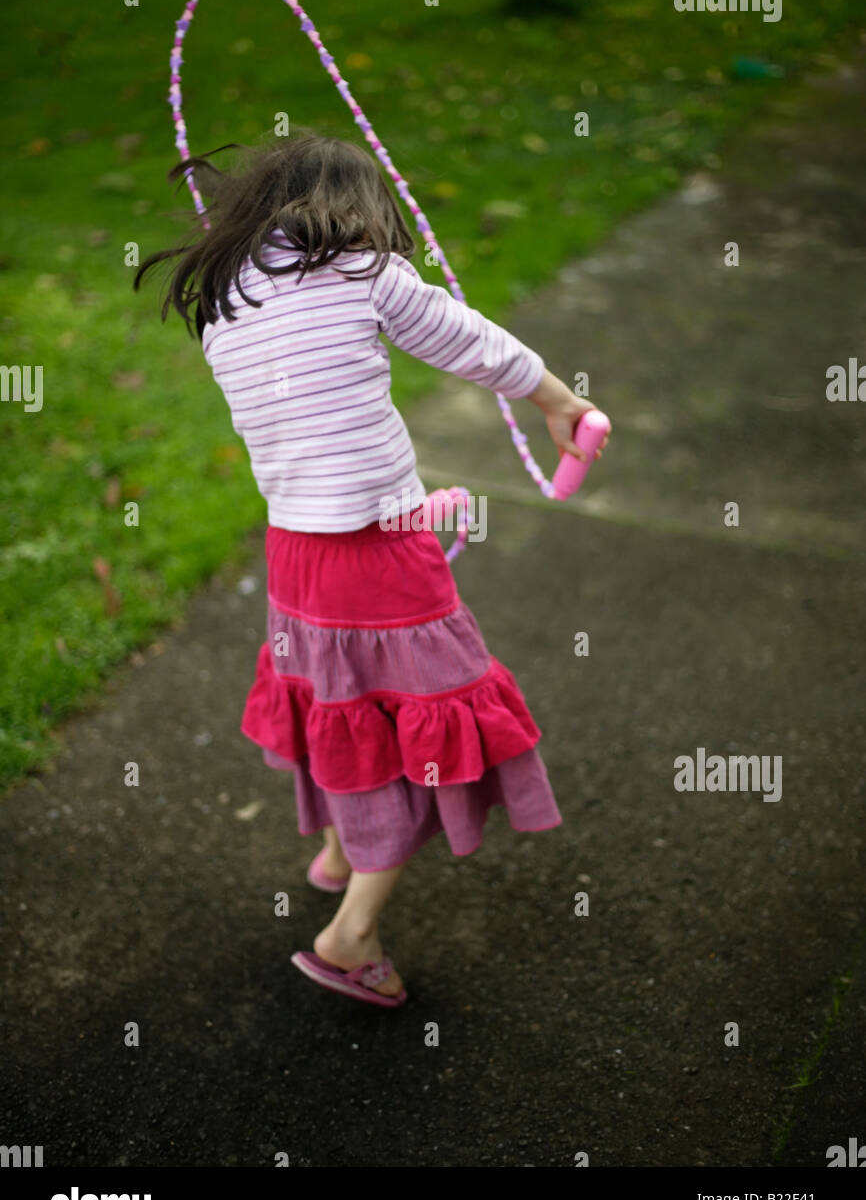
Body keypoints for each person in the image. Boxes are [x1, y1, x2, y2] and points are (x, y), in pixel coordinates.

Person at [136, 131, 609, 1007]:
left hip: (297, 555)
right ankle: (350, 934)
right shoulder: (362, 274)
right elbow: (470, 343)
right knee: (431, 720)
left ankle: (340, 850)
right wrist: (560, 399)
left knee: (340, 697)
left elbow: (316, 433)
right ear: (348, 209)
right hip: (378, 555)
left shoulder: (230, 308)